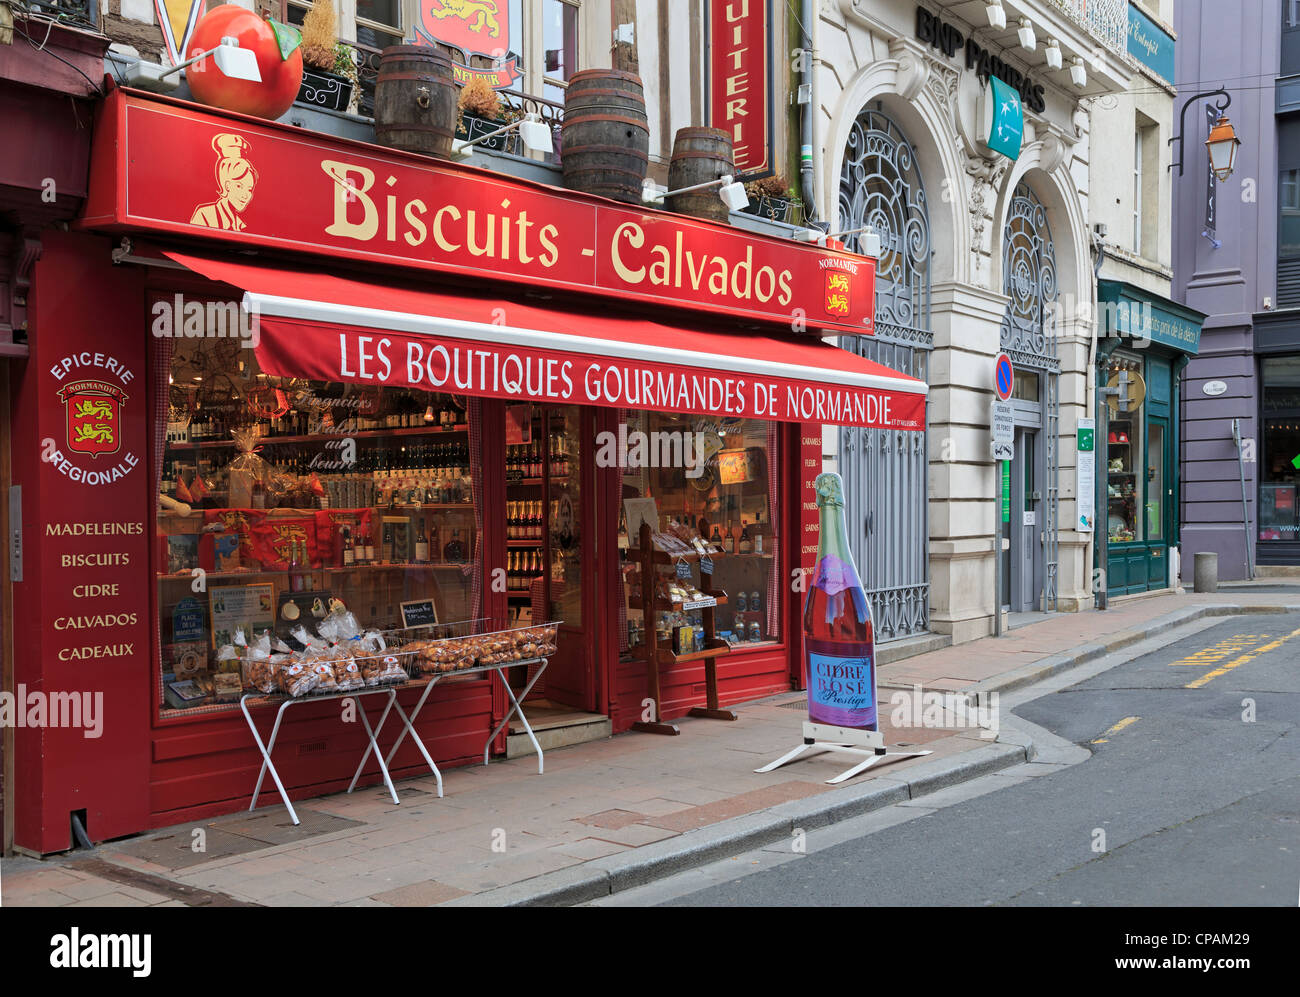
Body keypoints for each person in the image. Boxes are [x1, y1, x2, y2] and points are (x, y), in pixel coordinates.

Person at [190, 133, 257, 231]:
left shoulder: (240, 225)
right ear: (227, 186)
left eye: (249, 189)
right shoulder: (204, 215)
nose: (246, 195)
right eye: (239, 186)